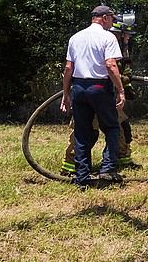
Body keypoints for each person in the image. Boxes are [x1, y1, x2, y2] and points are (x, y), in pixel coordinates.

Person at [60, 17, 140, 175]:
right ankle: (71, 166)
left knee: (121, 128)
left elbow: (123, 71)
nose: (128, 38)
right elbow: (107, 67)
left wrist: (126, 87)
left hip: (102, 93)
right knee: (86, 131)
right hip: (98, 91)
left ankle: (122, 160)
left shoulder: (119, 48)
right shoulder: (105, 41)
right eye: (125, 34)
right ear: (117, 33)